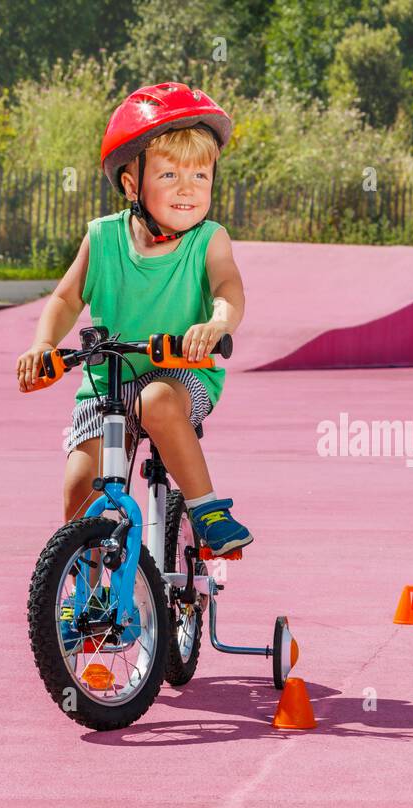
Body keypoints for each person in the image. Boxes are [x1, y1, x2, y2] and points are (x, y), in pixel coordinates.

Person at [16, 82, 253, 557]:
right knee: (79, 490)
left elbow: (229, 289)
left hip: (182, 375)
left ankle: (205, 509)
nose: (188, 188)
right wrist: (43, 344)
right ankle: (84, 590)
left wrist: (217, 325)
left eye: (201, 177)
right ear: (131, 184)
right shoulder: (102, 238)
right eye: (169, 176)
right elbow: (65, 299)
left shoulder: (209, 240)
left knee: (157, 399)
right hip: (107, 383)